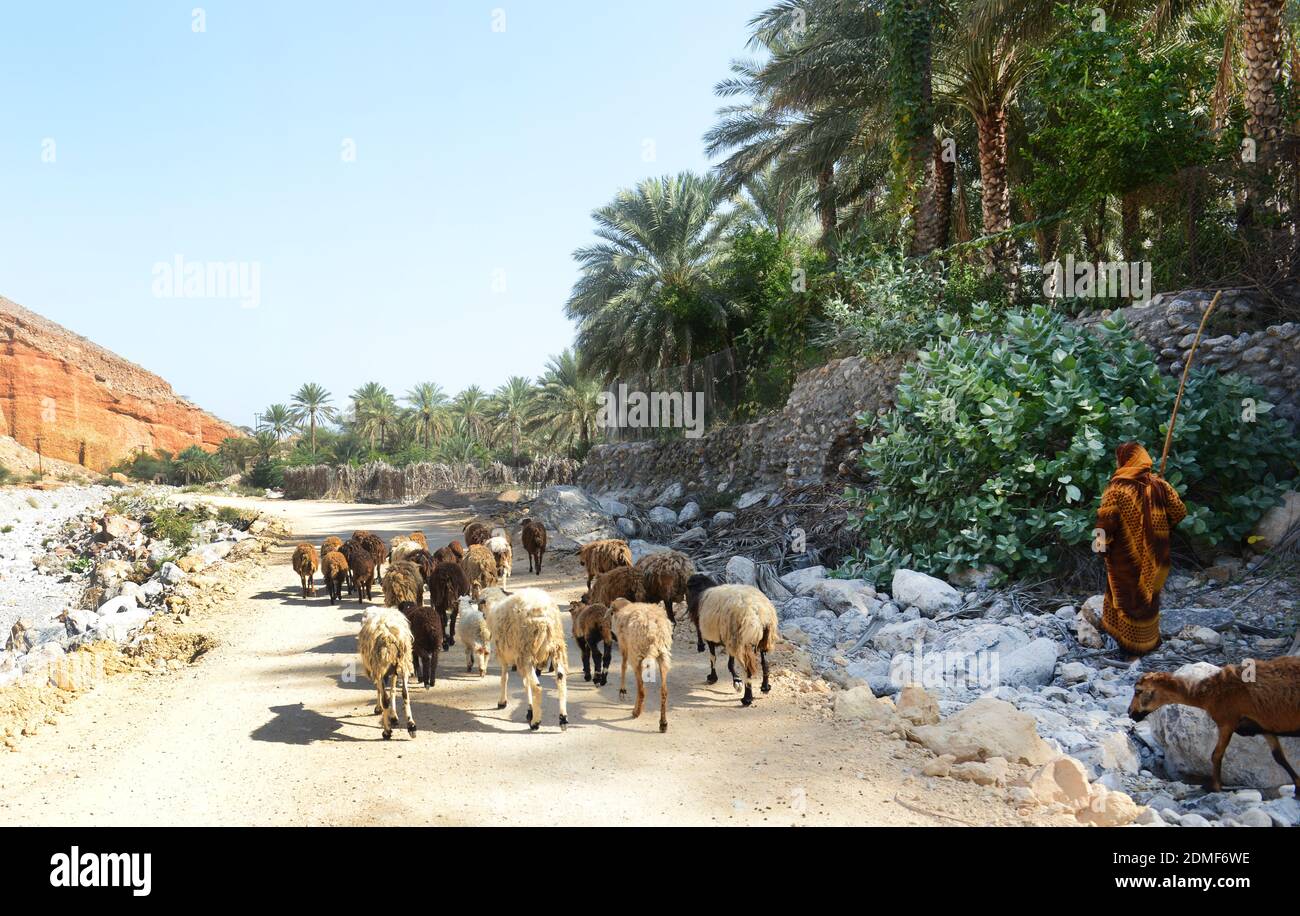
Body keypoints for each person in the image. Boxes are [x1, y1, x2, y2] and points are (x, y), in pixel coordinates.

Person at [1096, 442, 1187, 657]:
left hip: (1125, 557)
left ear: (1125, 460)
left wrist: (1100, 547)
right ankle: (1148, 643)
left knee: (1128, 598)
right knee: (1147, 598)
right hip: (1157, 556)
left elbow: (1105, 524)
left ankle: (1130, 649)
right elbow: (1179, 512)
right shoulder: (1159, 485)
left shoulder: (1116, 489)